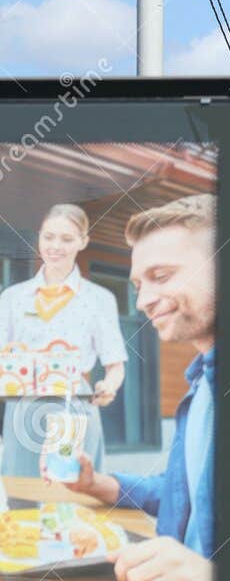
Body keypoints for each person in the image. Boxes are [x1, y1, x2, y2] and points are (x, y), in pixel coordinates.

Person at [51, 195, 216, 581]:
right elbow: (182, 495)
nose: (142, 301)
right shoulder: (201, 387)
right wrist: (99, 484)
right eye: (140, 285)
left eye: (161, 275)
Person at [0, 204, 128, 478]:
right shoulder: (12, 298)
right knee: (22, 497)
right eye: (49, 236)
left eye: (67, 239)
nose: (55, 246)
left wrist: (108, 386)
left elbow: (115, 365)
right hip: (22, 406)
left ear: (83, 241)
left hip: (75, 404)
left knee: (71, 493)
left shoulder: (99, 299)